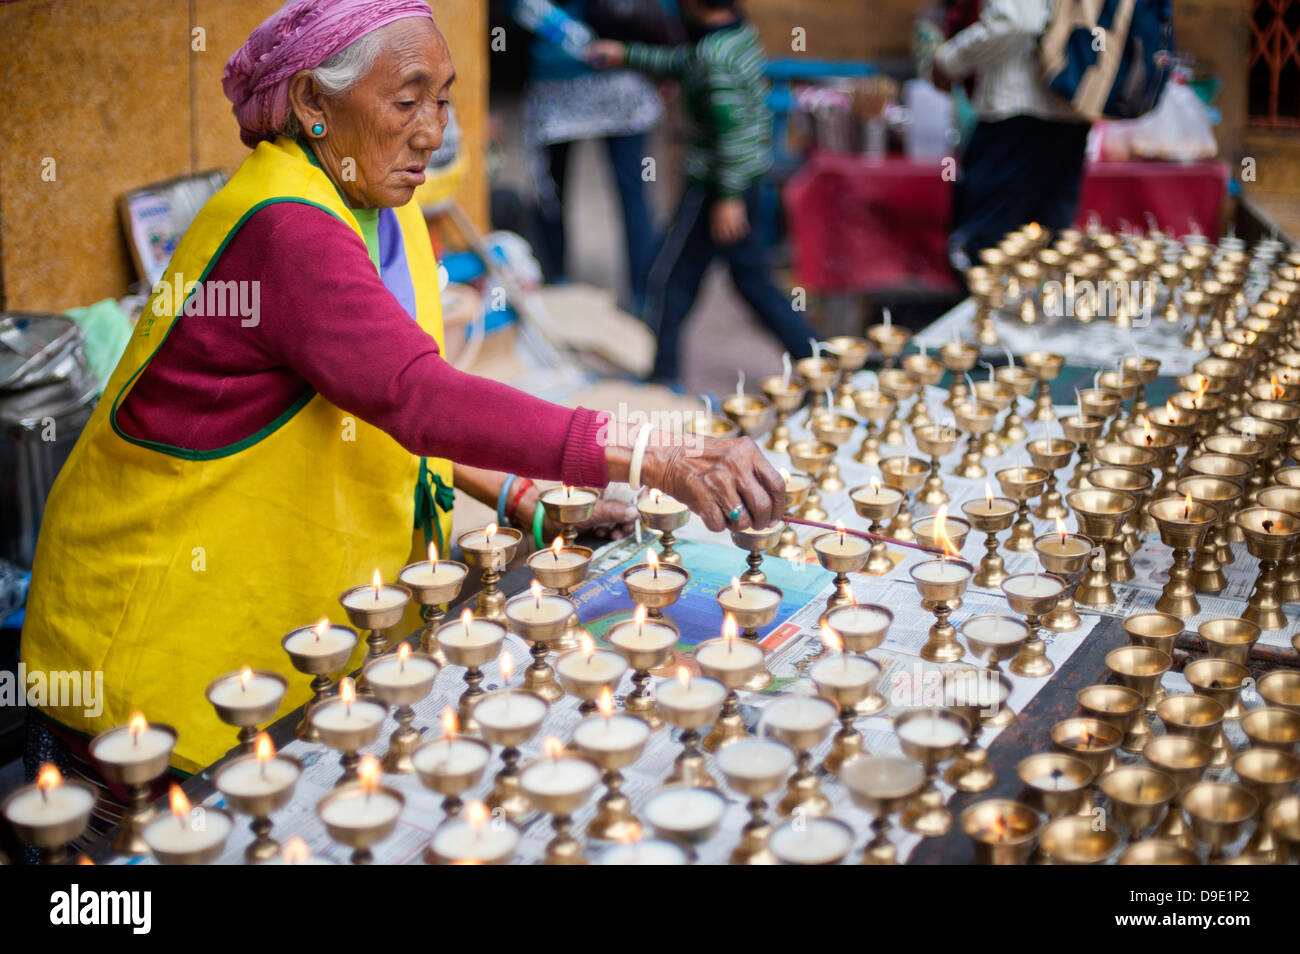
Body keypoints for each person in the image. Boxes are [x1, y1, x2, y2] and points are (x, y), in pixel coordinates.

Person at [20, 0, 784, 777]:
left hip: (288, 630)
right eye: (407, 99)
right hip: (162, 641)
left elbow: (385, 404)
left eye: (445, 98)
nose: (435, 131)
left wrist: (523, 494)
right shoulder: (284, 227)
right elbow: (416, 398)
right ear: (314, 104)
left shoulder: (386, 207)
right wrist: (656, 453)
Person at [585, 0, 815, 389]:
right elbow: (685, 62)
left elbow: (730, 131)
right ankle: (817, 359)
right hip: (745, 180)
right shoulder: (736, 35)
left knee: (667, 275)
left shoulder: (714, 60)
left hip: (715, 189)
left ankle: (662, 376)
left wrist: (727, 197)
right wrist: (627, 54)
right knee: (751, 280)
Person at [511, 0, 664, 313]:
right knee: (632, 191)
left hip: (561, 75)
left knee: (552, 192)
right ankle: (645, 299)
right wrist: (661, 58)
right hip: (619, 66)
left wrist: (569, 36)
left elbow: (522, 6)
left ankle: (557, 289)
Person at [932, 0, 1091, 269]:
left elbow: (1015, 21)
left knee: (985, 250)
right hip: (1074, 103)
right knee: (1049, 248)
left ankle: (990, 310)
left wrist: (949, 60)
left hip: (1017, 112)